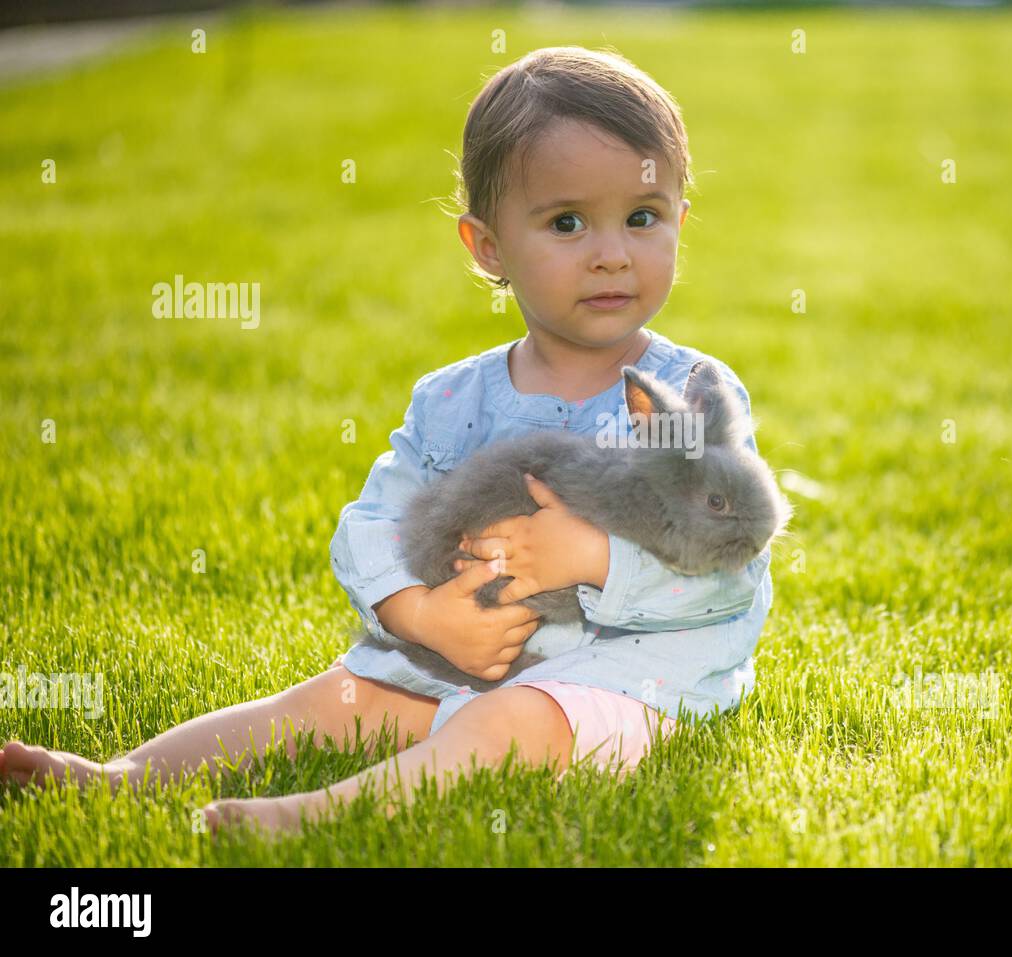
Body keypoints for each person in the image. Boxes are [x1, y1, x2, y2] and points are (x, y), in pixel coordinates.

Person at [0, 46, 775, 837]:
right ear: (489, 248)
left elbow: (732, 567)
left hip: (626, 676)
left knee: (510, 724)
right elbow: (376, 524)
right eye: (567, 222)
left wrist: (592, 558)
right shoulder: (454, 399)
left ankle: (312, 816)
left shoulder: (686, 398)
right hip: (459, 655)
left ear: (679, 219)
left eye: (641, 217)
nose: (612, 251)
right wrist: (422, 617)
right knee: (333, 699)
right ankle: (122, 776)